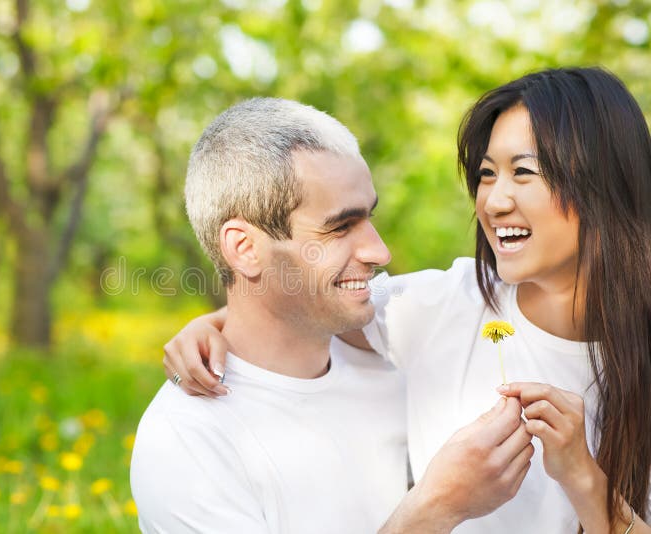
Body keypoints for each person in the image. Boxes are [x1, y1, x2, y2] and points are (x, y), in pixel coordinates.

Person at [162, 67, 651, 533]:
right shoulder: (441, 306)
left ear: (605, 184)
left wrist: (584, 478)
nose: (495, 201)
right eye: (486, 174)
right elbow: (301, 294)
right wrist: (214, 324)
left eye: (524, 172)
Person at [130, 97, 533, 533]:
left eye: (369, 218)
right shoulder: (187, 442)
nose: (380, 252)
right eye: (340, 227)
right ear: (244, 248)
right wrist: (437, 506)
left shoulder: (391, 355)